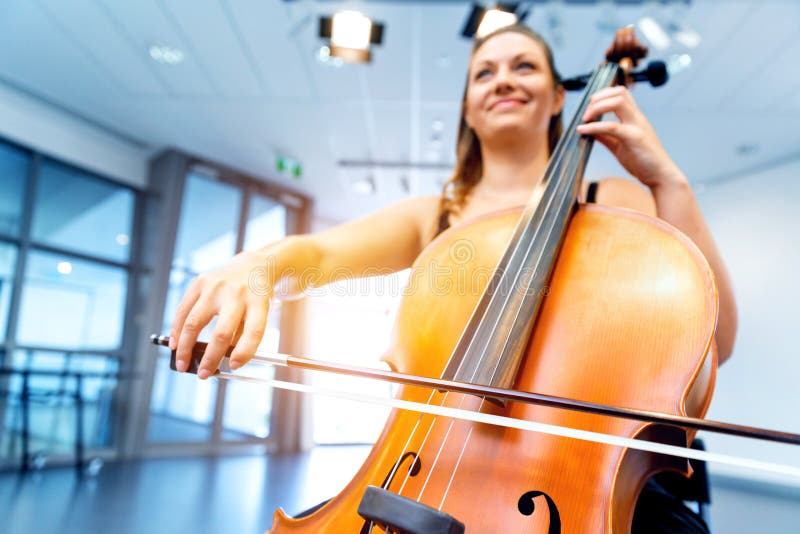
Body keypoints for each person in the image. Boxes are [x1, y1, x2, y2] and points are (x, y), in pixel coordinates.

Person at [168, 24, 736, 533]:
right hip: (425, 469)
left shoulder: (613, 207)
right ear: (468, 107)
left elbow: (718, 340)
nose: (502, 80)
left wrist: (669, 184)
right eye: (483, 72)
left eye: (524, 66)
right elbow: (316, 255)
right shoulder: (434, 218)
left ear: (560, 96)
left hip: (580, 484)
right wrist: (257, 267)